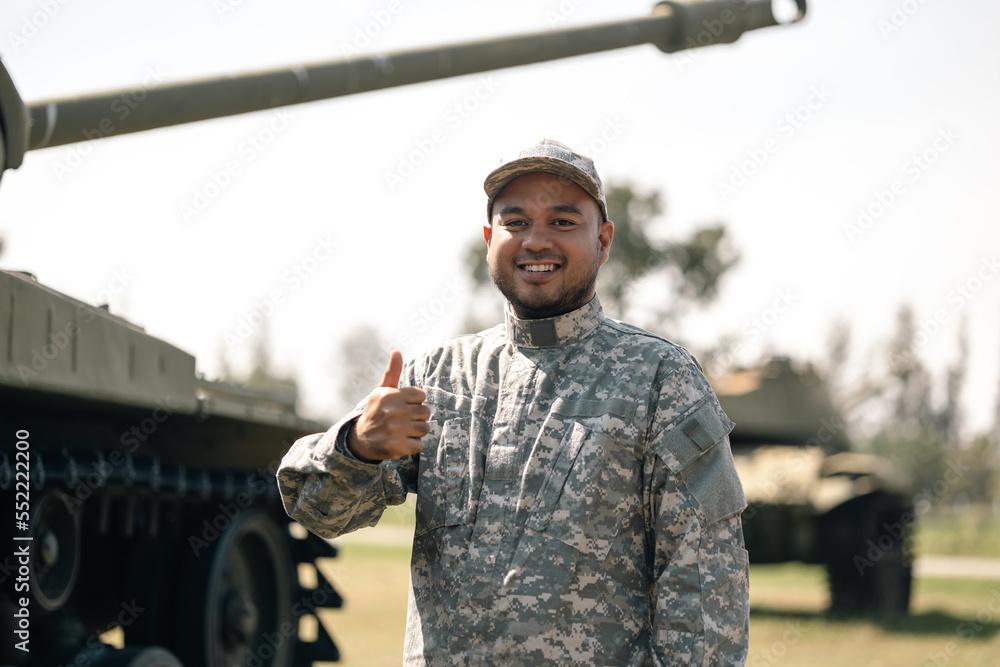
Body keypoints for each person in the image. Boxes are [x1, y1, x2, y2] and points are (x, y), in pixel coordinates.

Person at [277, 139, 749, 666]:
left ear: (604, 240)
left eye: (564, 222)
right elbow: (320, 513)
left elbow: (705, 586)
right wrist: (358, 448)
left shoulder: (662, 380)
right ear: (489, 239)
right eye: (516, 221)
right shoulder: (437, 378)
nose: (537, 241)